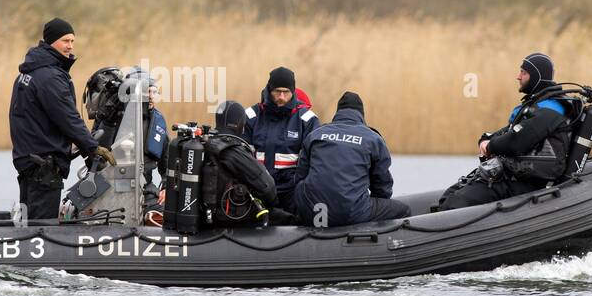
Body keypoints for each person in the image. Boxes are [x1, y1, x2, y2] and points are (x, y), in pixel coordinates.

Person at [436, 52, 574, 211]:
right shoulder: (540, 104)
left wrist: (490, 146)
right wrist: (487, 138)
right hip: (514, 175)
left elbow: (517, 141)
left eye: (524, 72)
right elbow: (512, 131)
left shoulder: (550, 110)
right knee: (449, 196)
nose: (518, 76)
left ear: (536, 77)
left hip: (527, 183)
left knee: (456, 204)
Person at [9, 18, 115, 220]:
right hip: (43, 166)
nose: (70, 46)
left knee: (29, 220)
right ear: (50, 41)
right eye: (65, 41)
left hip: (28, 160)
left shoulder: (30, 71)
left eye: (73, 41)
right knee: (41, 227)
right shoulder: (50, 77)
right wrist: (92, 147)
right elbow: (68, 118)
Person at [292, 91, 410, 228]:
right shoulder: (373, 139)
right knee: (404, 210)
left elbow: (300, 177)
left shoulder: (316, 134)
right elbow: (383, 186)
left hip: (313, 211)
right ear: (361, 114)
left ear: (338, 113)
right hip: (352, 213)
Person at [244, 66, 319, 210]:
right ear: (269, 90)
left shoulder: (307, 120)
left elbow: (314, 160)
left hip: (292, 193)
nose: (281, 97)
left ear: (293, 92)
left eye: (286, 92)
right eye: (277, 92)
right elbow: (241, 156)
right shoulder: (251, 116)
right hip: (256, 190)